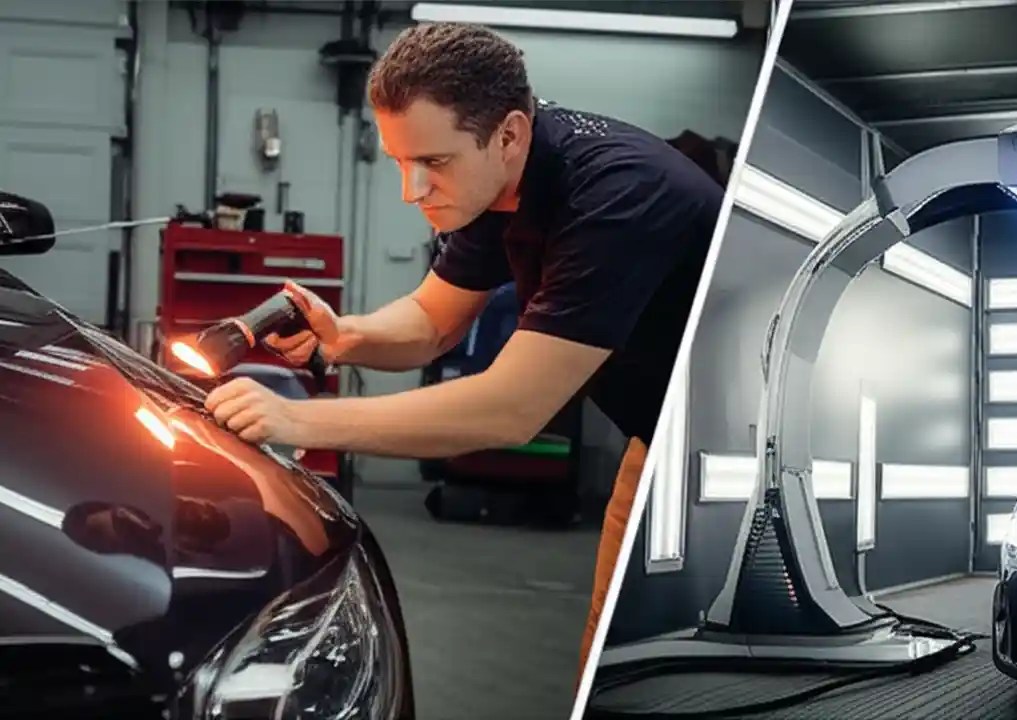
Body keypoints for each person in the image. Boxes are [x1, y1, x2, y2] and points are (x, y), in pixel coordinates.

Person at [203, 22, 723, 677]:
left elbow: (510, 410)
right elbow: (431, 320)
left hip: (722, 463)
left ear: (507, 135)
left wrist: (293, 420)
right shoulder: (496, 184)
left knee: (668, 668)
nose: (411, 190)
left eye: (433, 163)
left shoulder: (620, 196)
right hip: (655, 443)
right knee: (614, 658)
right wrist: (346, 338)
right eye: (399, 162)